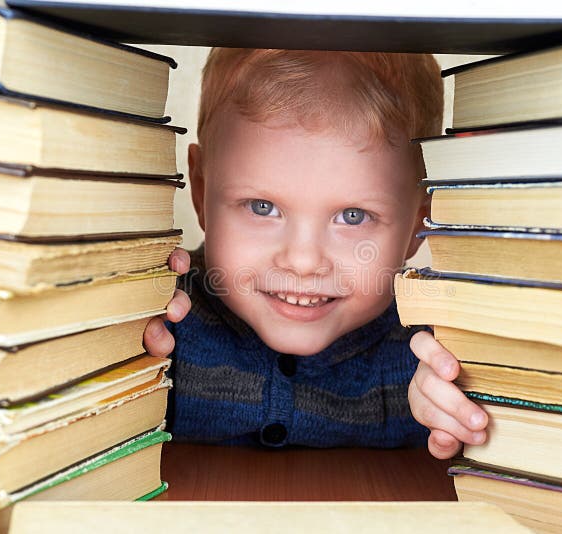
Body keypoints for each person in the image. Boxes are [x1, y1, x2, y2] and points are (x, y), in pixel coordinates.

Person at [142, 48, 488, 456]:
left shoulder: (435, 355)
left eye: (353, 216)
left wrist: (453, 414)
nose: (303, 261)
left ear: (421, 220)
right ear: (201, 191)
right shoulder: (159, 319)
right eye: (262, 207)